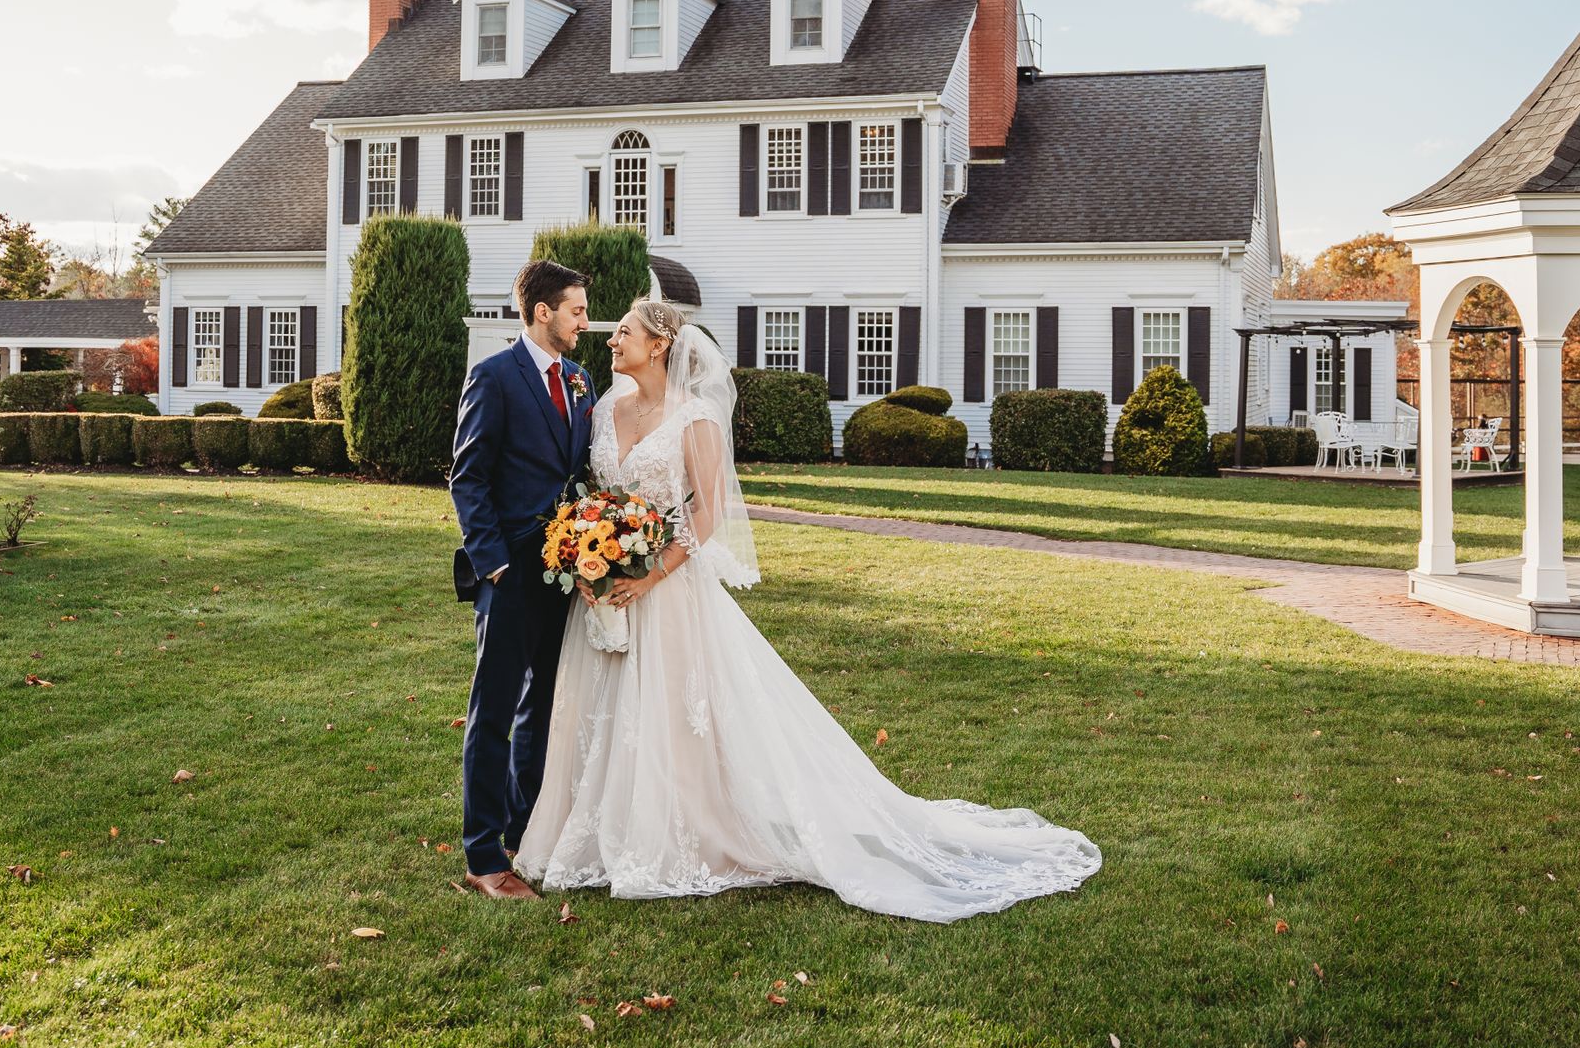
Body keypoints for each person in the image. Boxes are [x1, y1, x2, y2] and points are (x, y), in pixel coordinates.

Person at [514, 297, 1101, 923]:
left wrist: (649, 575)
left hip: (667, 595)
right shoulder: (605, 408)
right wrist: (589, 553)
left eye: (624, 332)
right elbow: (598, 496)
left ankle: (675, 833)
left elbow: (707, 514)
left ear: (658, 344)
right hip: (606, 594)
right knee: (602, 712)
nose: (610, 340)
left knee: (666, 716)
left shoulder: (694, 418)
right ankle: (600, 829)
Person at [449, 259, 594, 900]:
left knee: (543, 706)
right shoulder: (494, 377)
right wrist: (495, 564)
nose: (585, 323)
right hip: (509, 573)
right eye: (577, 311)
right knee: (494, 712)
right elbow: (468, 476)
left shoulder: (582, 381)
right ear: (542, 312)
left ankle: (524, 826)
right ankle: (484, 857)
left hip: (565, 571)